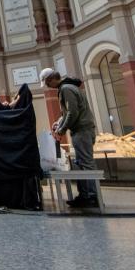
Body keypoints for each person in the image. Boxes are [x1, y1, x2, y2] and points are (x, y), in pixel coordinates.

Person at [41, 68, 98, 208]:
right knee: (81, 163)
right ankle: (85, 195)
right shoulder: (69, 87)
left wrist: (61, 130)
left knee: (86, 164)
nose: (48, 87)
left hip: (82, 131)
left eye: (48, 83)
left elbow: (73, 112)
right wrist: (59, 121)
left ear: (52, 79)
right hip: (81, 130)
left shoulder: (65, 89)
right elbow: (70, 111)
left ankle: (91, 196)